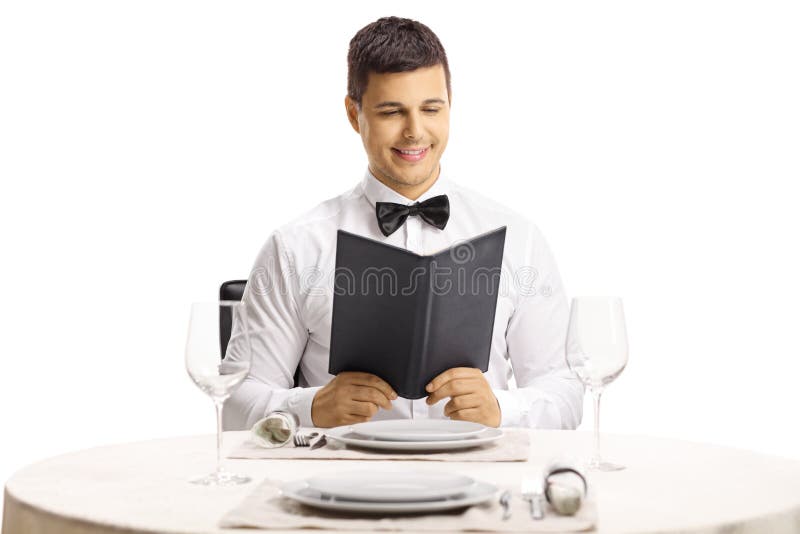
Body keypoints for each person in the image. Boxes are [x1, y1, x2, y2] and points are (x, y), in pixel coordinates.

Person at [223, 16, 583, 431]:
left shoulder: (520, 239)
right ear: (353, 114)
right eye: (392, 111)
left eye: (431, 109)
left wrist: (502, 409)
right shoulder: (294, 246)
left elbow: (566, 392)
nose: (415, 132)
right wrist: (312, 407)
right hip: (340, 485)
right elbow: (235, 401)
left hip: (481, 480)